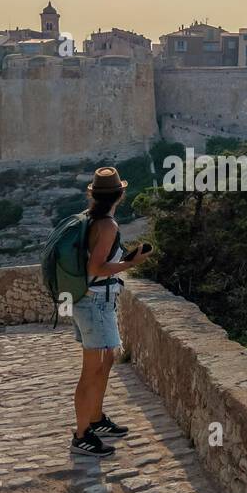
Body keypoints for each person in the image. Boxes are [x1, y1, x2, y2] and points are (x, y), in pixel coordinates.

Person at [70, 166, 152, 459]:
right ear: (121, 194)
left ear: (92, 194)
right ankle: (82, 436)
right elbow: (97, 268)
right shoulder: (107, 226)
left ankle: (96, 419)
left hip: (87, 300)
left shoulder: (87, 220)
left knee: (104, 363)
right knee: (91, 371)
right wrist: (132, 263)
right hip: (96, 304)